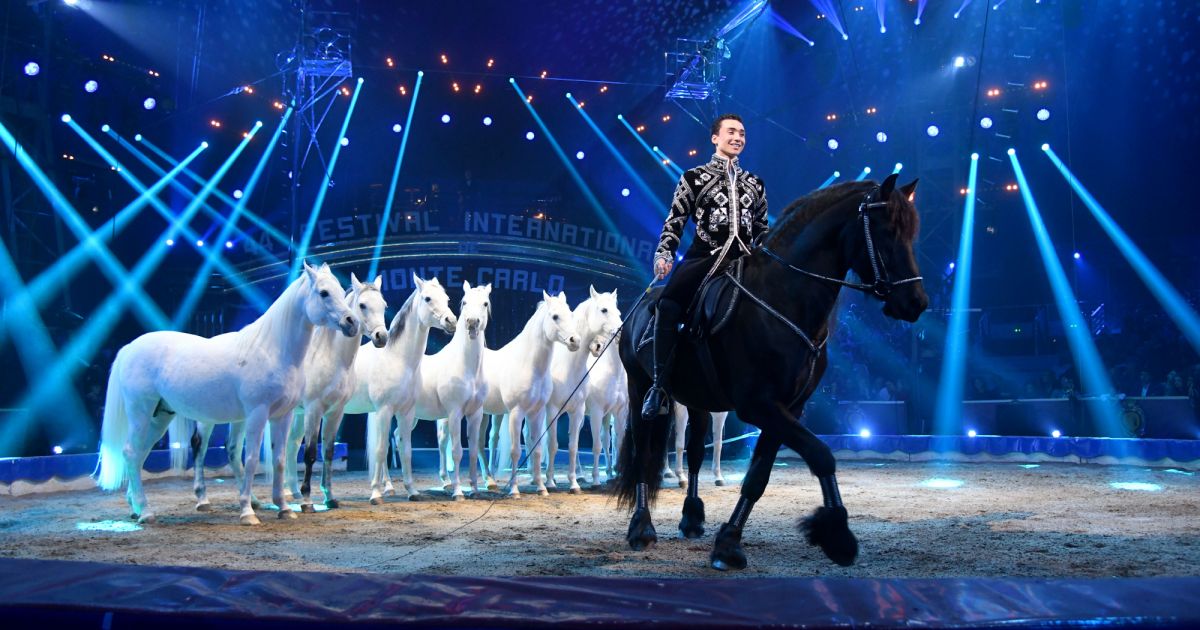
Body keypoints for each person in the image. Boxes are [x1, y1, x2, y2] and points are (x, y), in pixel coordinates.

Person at [641, 113, 768, 420]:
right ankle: (659, 387)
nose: (738, 137)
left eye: (742, 133)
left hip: (746, 260)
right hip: (706, 258)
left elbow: (762, 227)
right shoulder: (693, 177)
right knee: (669, 305)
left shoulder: (755, 184)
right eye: (732, 132)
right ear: (715, 138)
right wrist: (663, 254)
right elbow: (675, 220)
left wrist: (765, 254)